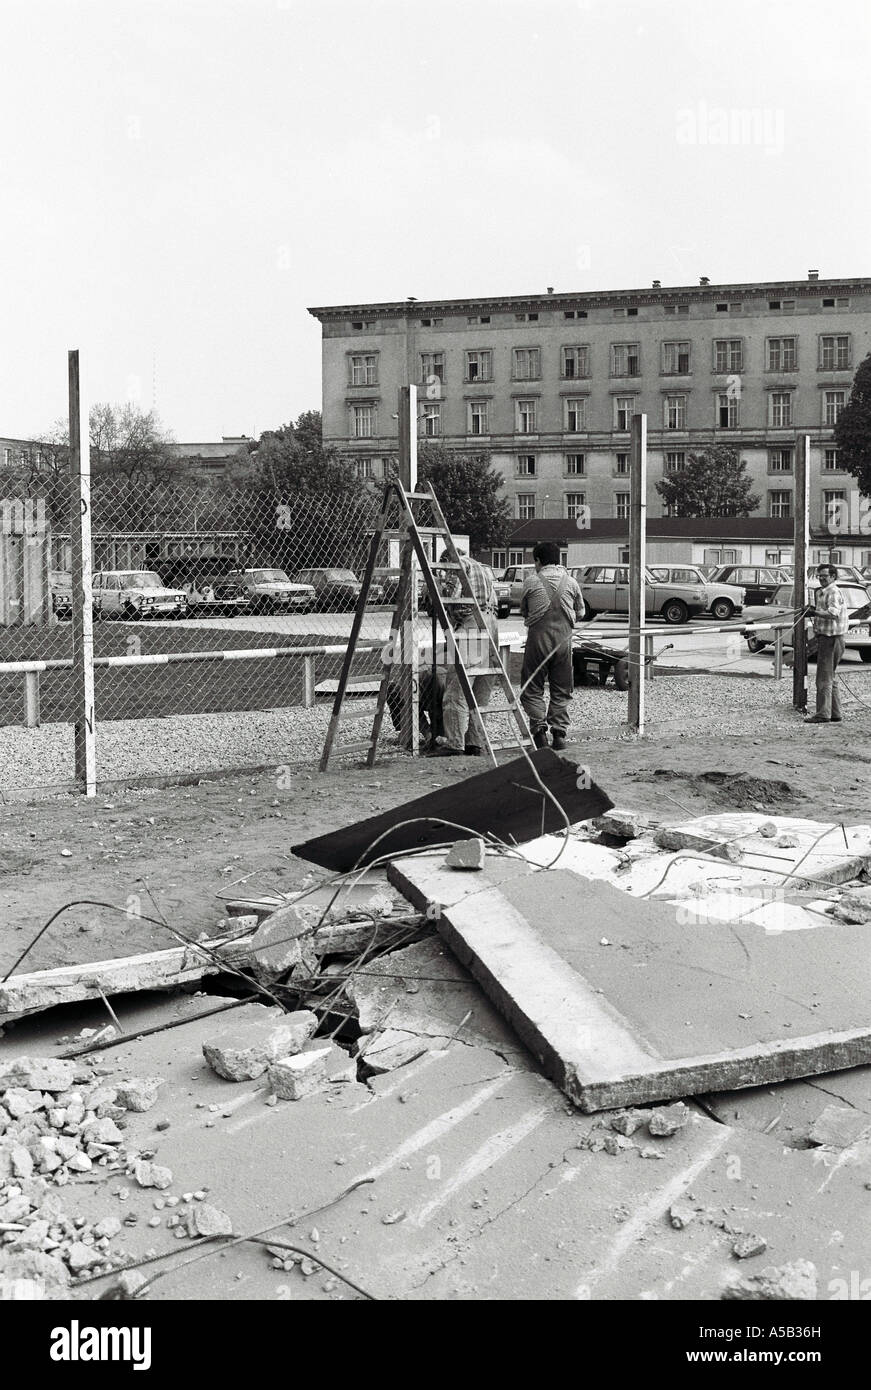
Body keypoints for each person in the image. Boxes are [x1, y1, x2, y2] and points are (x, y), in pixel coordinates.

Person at [428, 548, 497, 756]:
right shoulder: (481, 567)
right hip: (491, 622)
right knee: (480, 688)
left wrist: (438, 588)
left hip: (471, 623)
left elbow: (454, 599)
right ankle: (474, 742)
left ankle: (454, 742)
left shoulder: (457, 566)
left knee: (457, 686)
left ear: (446, 561)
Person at [519, 541, 585, 750]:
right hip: (563, 642)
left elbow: (524, 612)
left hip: (537, 641)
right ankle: (559, 733)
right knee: (562, 688)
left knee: (532, 686)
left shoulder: (531, 582)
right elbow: (581, 612)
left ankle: (539, 729)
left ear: (538, 561)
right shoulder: (572, 582)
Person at [805, 563, 848, 724]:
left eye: (824, 576)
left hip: (831, 639)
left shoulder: (832, 592)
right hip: (831, 638)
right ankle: (835, 713)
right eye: (819, 576)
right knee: (831, 677)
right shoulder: (824, 592)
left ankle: (823, 714)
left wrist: (814, 612)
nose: (821, 578)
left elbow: (833, 613)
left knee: (823, 678)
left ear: (833, 576)